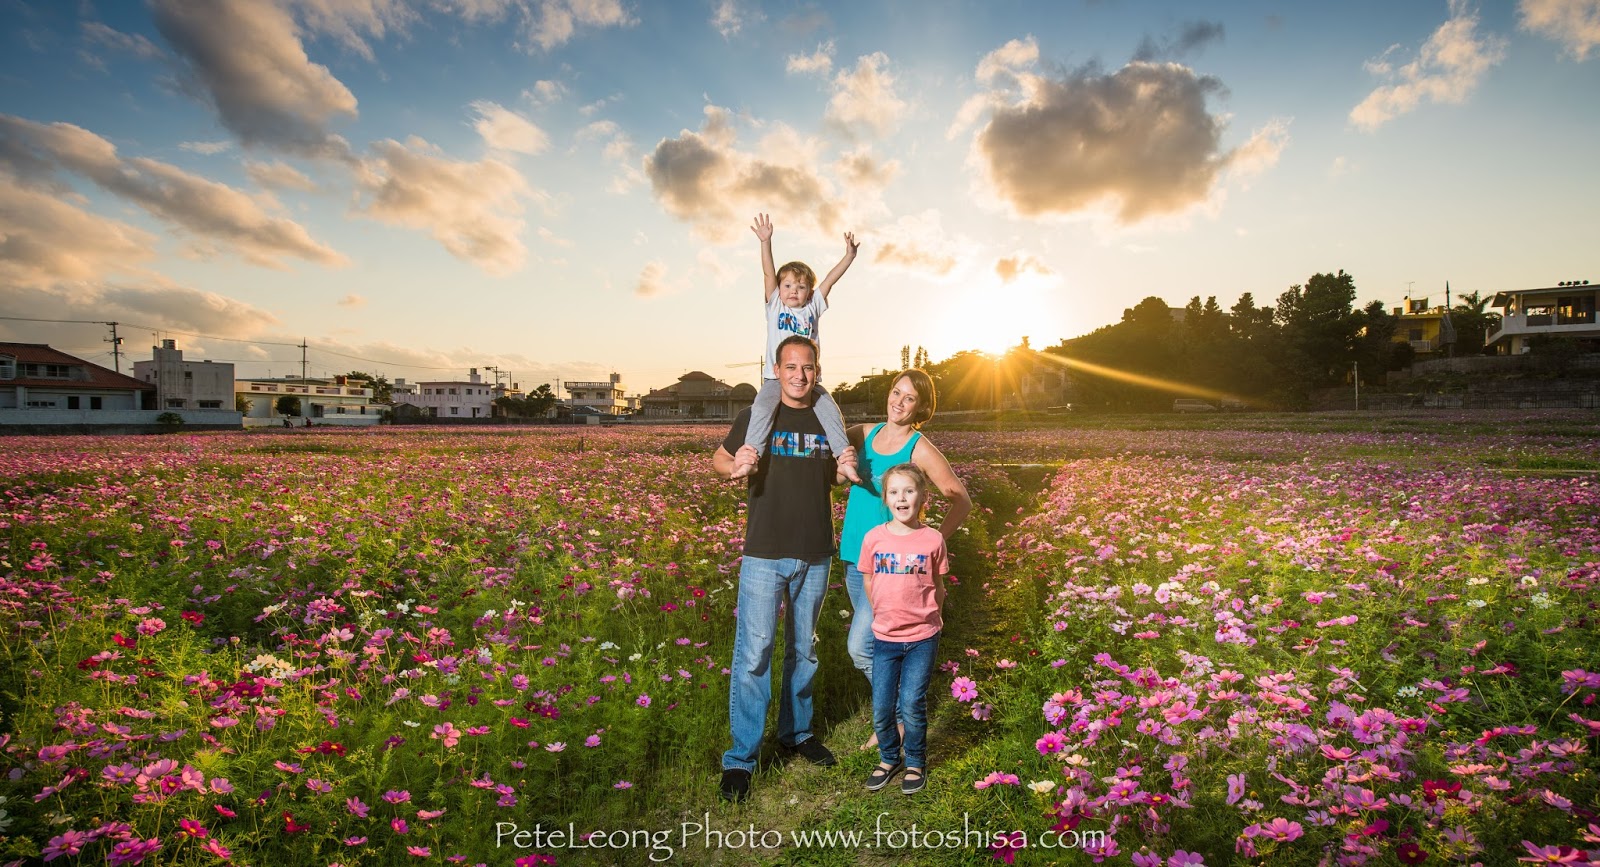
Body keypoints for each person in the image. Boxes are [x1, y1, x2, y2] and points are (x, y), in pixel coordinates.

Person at [711, 335, 858, 804]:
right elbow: (720, 456)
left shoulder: (827, 417)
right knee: (753, 653)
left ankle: (797, 734)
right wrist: (736, 463)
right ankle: (741, 759)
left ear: (817, 370)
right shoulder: (757, 415)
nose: (799, 375)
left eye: (808, 367)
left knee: (805, 650)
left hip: (815, 549)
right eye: (791, 367)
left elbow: (834, 474)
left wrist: (846, 470)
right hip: (764, 552)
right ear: (777, 370)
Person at [839, 369, 970, 750]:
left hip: (892, 567)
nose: (898, 401)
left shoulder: (919, 447)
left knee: (860, 647)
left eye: (909, 397)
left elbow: (961, 499)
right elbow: (832, 467)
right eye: (896, 392)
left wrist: (930, 541)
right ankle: (896, 715)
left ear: (921, 407)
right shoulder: (861, 433)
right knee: (879, 643)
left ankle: (896, 718)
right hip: (855, 555)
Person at [732, 214, 862, 485]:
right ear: (778, 289)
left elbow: (830, 280)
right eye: (788, 285)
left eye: (801, 287)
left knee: (830, 410)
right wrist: (766, 242)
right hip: (773, 378)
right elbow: (768, 272)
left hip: (808, 381)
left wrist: (848, 257)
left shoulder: (813, 306)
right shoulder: (775, 305)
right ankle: (749, 458)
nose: (794, 291)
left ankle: (845, 461)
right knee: (762, 409)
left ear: (809, 292)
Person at [859, 463, 948, 795]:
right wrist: (881, 611)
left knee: (912, 702)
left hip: (923, 636)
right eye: (894, 491)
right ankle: (888, 757)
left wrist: (935, 616)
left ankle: (914, 761)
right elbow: (869, 578)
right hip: (885, 637)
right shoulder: (874, 538)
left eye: (909, 491)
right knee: (882, 705)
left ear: (923, 497)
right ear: (885, 498)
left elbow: (937, 584)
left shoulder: (932, 539)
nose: (901, 498)